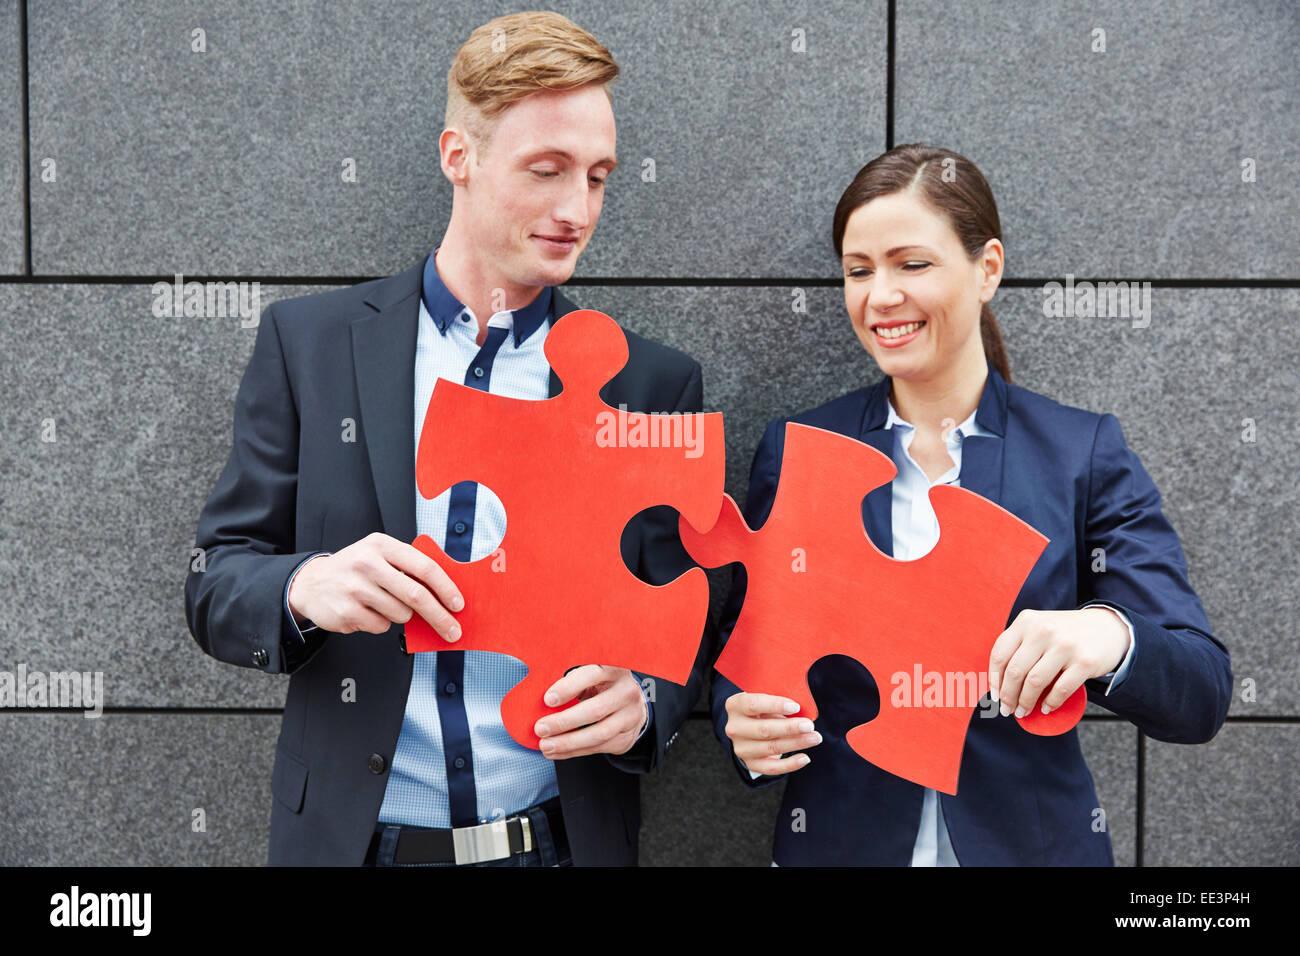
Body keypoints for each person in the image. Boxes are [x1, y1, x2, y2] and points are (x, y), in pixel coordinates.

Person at [185, 11, 707, 867]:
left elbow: (691, 610)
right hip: (359, 847)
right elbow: (215, 582)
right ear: (457, 157)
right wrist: (307, 586)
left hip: (562, 844)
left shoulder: (651, 385)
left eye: (600, 177)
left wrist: (647, 699)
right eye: (547, 170)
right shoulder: (311, 345)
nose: (577, 209)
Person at [713, 143, 1232, 866]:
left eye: (911, 264)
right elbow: (748, 655)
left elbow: (1201, 691)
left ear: (987, 269)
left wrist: (1104, 635)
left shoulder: (1081, 452)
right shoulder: (800, 447)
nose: (879, 295)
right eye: (858, 271)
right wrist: (741, 728)